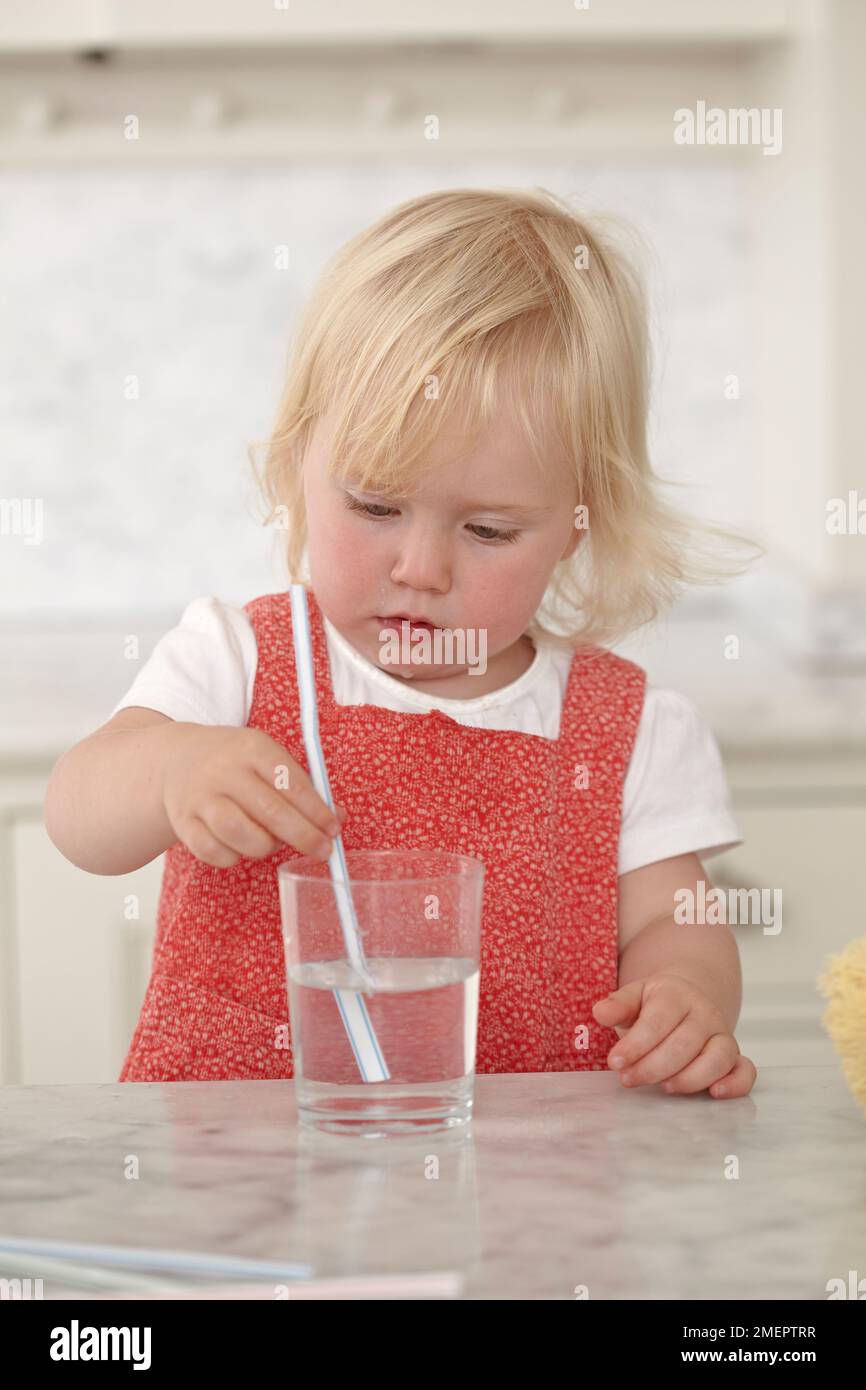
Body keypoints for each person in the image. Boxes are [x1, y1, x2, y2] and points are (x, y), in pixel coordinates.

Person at [44, 187, 761, 1098]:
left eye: (491, 531)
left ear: (580, 523)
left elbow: (677, 917)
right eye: (376, 507)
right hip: (235, 1176)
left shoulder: (631, 730)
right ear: (300, 464)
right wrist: (170, 768)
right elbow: (77, 816)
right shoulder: (238, 660)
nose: (421, 567)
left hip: (525, 1193)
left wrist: (689, 993)